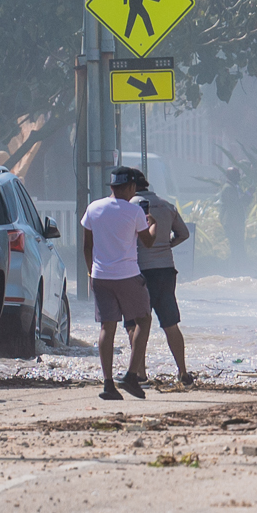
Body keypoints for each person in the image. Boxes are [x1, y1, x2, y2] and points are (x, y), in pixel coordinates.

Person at [81, 165, 161, 401]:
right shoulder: (134, 212)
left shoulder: (93, 208)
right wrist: (153, 224)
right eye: (133, 187)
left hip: (100, 276)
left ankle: (108, 384)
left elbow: (87, 245)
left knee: (107, 327)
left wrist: (90, 273)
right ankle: (130, 375)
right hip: (127, 275)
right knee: (144, 320)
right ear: (129, 187)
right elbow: (148, 242)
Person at [134, 174, 195, 386]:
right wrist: (167, 244)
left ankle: (140, 373)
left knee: (137, 324)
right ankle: (183, 372)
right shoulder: (167, 206)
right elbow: (184, 234)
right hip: (165, 270)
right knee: (170, 323)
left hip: (139, 270)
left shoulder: (129, 206)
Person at [218, 166, 251, 267]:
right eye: (237, 175)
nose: (239, 177)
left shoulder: (234, 187)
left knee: (239, 247)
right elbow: (236, 204)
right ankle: (235, 270)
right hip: (232, 223)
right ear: (230, 176)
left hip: (236, 222)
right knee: (236, 248)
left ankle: (240, 268)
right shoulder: (228, 188)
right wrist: (248, 194)